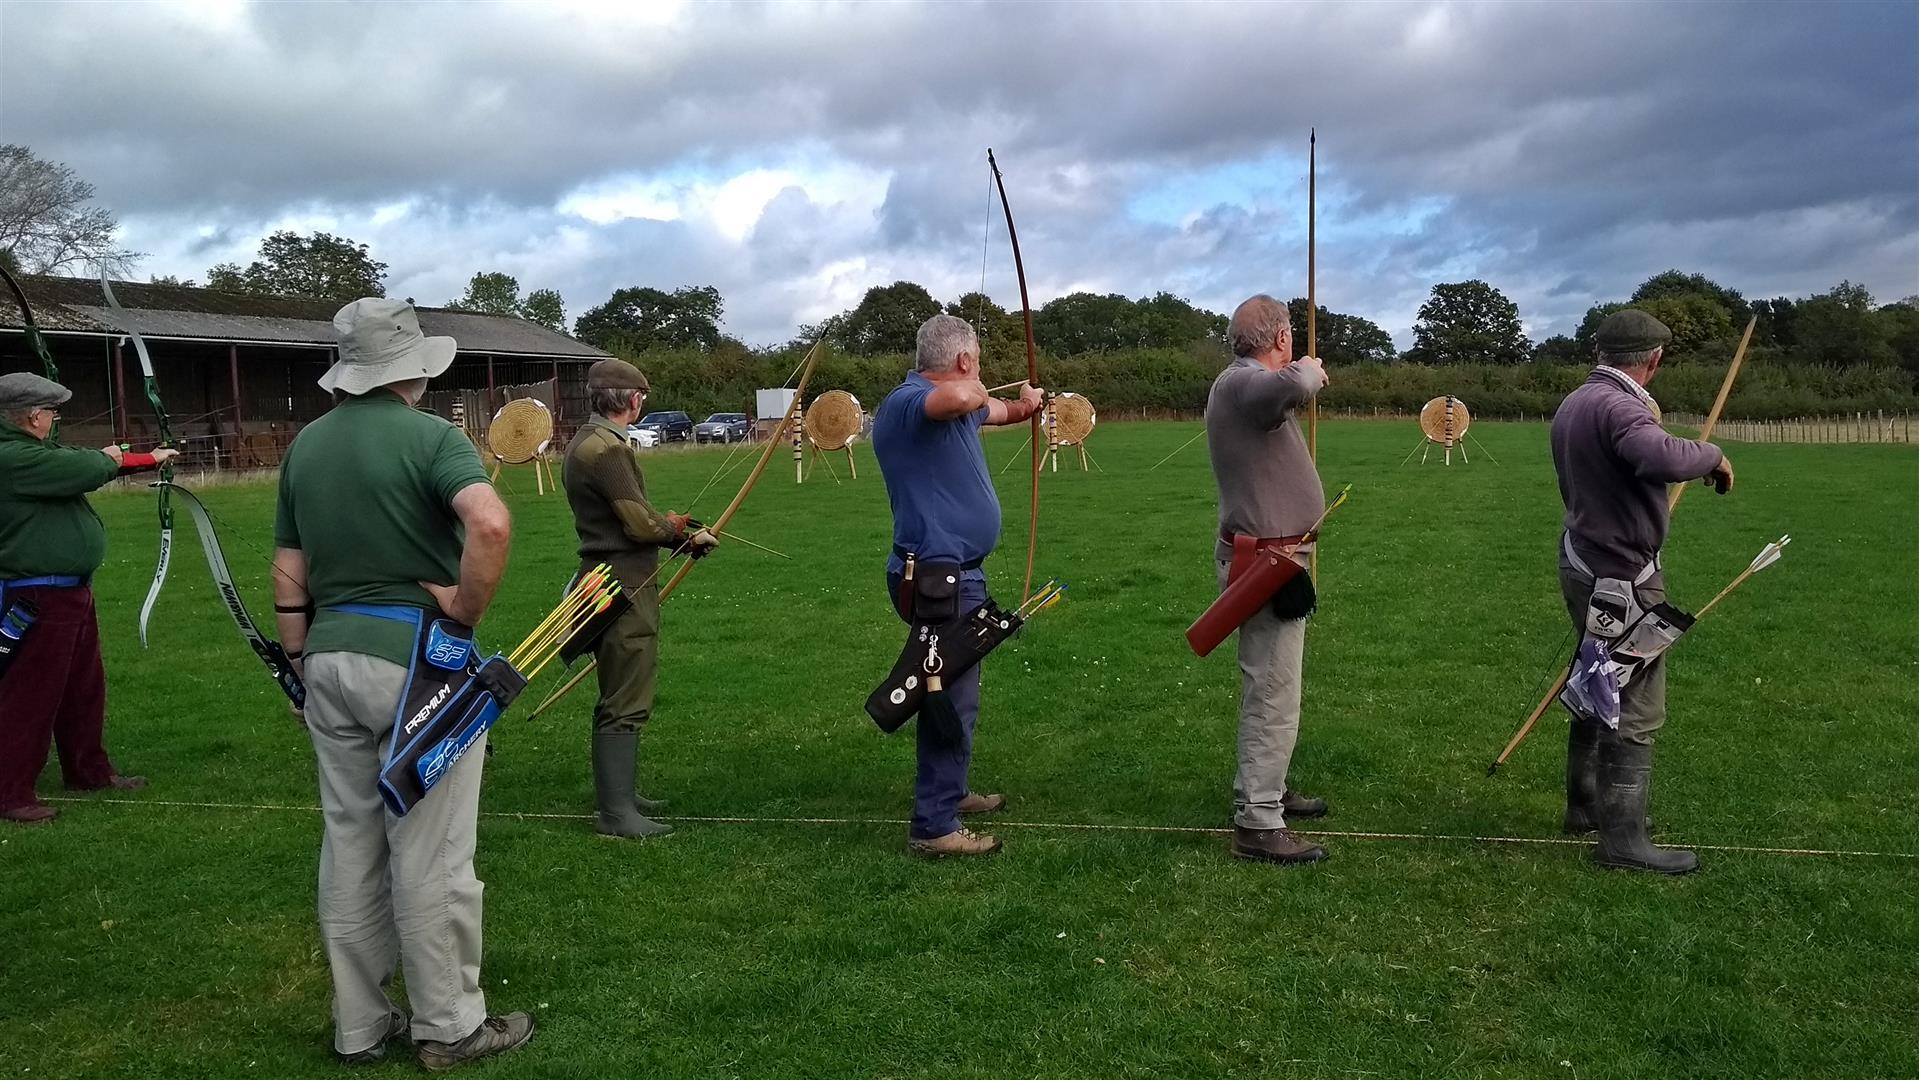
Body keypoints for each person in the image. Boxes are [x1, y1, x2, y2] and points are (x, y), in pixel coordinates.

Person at [270, 298, 533, 1068]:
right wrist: (462, 607)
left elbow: (290, 570)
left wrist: (298, 673)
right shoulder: (429, 437)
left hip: (328, 658)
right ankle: (448, 1026)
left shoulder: (306, 447)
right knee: (431, 851)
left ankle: (359, 1025)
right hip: (417, 665)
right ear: (413, 370)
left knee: (349, 841)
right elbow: (489, 523)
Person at [1550, 308, 1733, 875]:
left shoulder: (1577, 401)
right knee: (1636, 694)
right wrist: (1713, 455)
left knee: (1600, 672)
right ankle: (1623, 839)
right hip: (1620, 573)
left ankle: (1586, 804)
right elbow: (1655, 453)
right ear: (1653, 359)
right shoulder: (1619, 406)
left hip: (1586, 560)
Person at [871, 314, 1043, 858]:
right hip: (936, 580)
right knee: (948, 694)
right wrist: (973, 386)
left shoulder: (958, 409)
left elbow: (993, 409)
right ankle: (934, 826)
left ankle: (953, 791)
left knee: (956, 688)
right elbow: (961, 398)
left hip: (958, 573)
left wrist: (1028, 405)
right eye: (977, 359)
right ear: (965, 360)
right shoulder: (906, 403)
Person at [0, 372, 175, 825]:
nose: (56, 421)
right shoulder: (12, 457)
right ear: (34, 416)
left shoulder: (33, 451)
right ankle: (10, 792)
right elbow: (84, 467)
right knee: (31, 695)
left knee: (83, 690)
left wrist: (141, 458)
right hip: (34, 595)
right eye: (53, 413)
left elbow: (76, 461)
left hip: (68, 591)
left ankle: (89, 771)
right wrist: (112, 458)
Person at [558, 358, 716, 839]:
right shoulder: (608, 449)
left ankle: (621, 796)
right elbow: (638, 524)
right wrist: (682, 535)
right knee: (626, 693)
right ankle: (616, 813)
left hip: (604, 581)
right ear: (632, 400)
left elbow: (633, 514)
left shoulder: (587, 442)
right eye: (641, 397)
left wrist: (670, 524)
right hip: (621, 587)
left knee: (618, 687)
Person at [1206, 295, 1332, 865]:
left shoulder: (1247, 387)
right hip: (1265, 563)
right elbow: (1285, 390)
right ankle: (1258, 820)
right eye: (1291, 339)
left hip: (1278, 558)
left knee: (1280, 685)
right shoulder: (1241, 385)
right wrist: (1305, 370)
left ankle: (1270, 790)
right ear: (1280, 336)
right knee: (1273, 690)